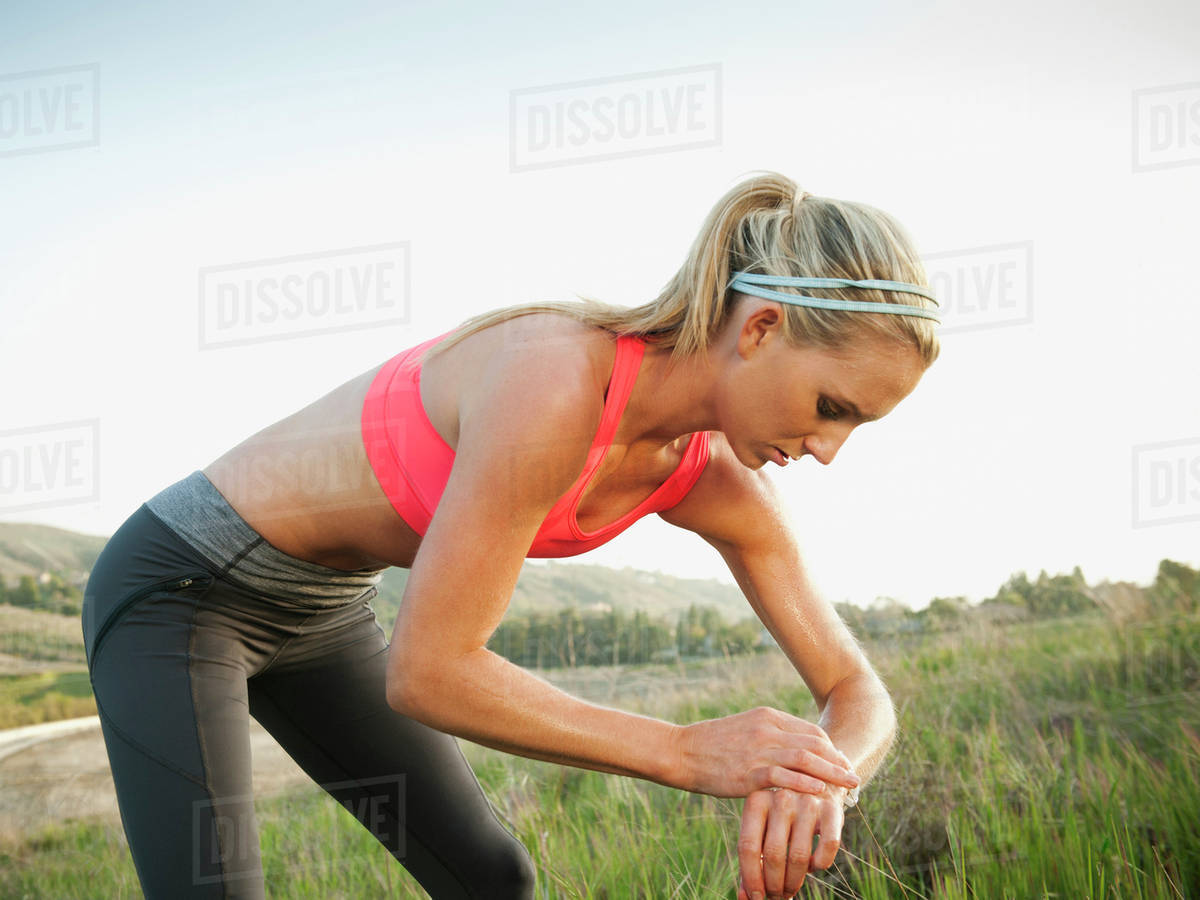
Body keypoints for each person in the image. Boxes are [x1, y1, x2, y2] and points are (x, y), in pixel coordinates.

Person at [81, 170, 939, 900]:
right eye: (832, 407)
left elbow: (856, 691)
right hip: (184, 587)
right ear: (760, 328)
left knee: (491, 879)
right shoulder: (555, 379)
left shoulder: (720, 480)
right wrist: (682, 750)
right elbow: (430, 672)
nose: (829, 450)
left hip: (324, 612)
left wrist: (823, 781)